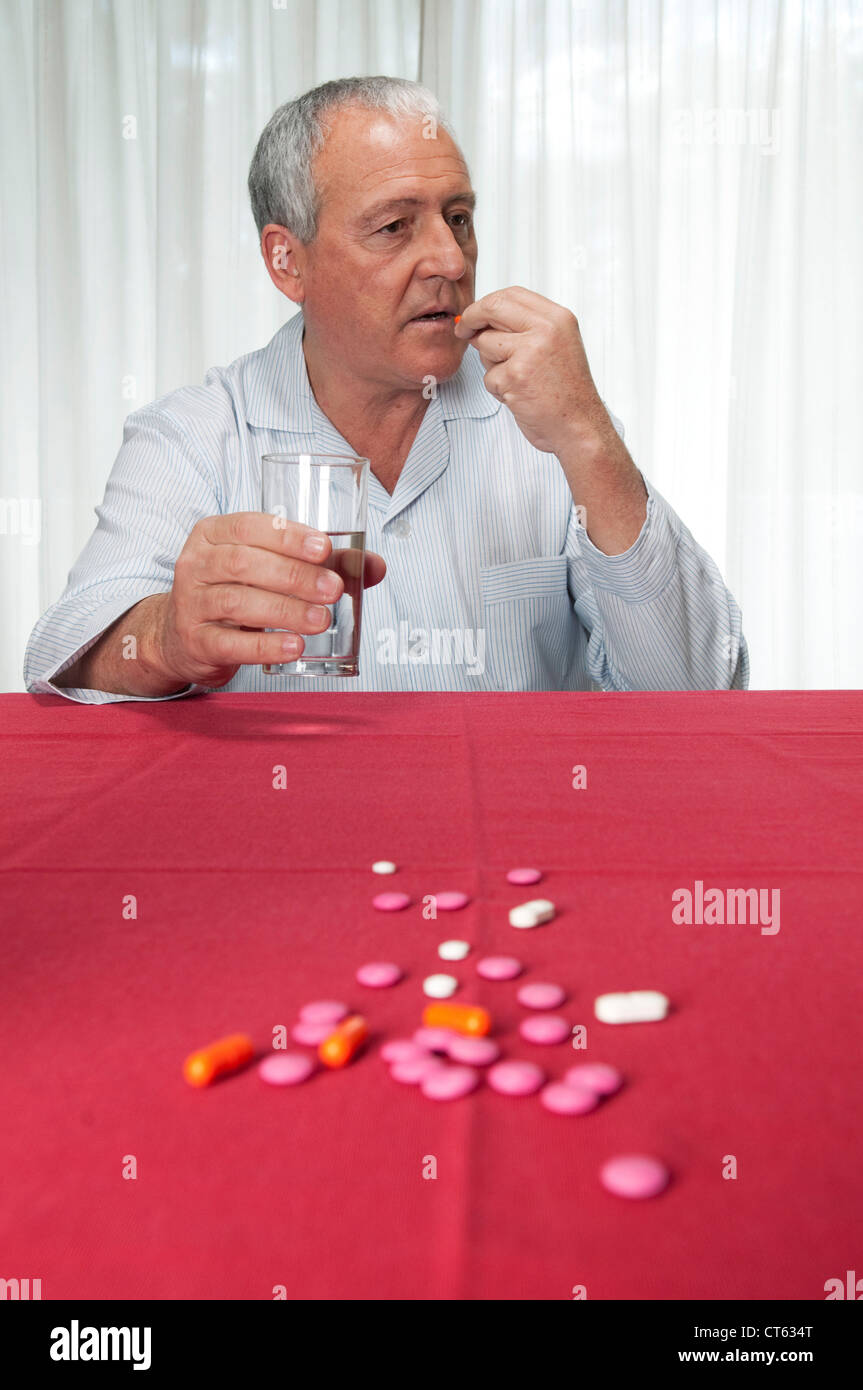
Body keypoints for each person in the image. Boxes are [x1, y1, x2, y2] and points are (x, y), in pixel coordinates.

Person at [24, 76, 748, 703]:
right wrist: (169, 639)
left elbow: (697, 689)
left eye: (457, 218)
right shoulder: (193, 437)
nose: (447, 258)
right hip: (286, 842)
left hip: (513, 843)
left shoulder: (554, 427)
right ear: (287, 262)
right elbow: (67, 650)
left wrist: (591, 437)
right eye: (394, 226)